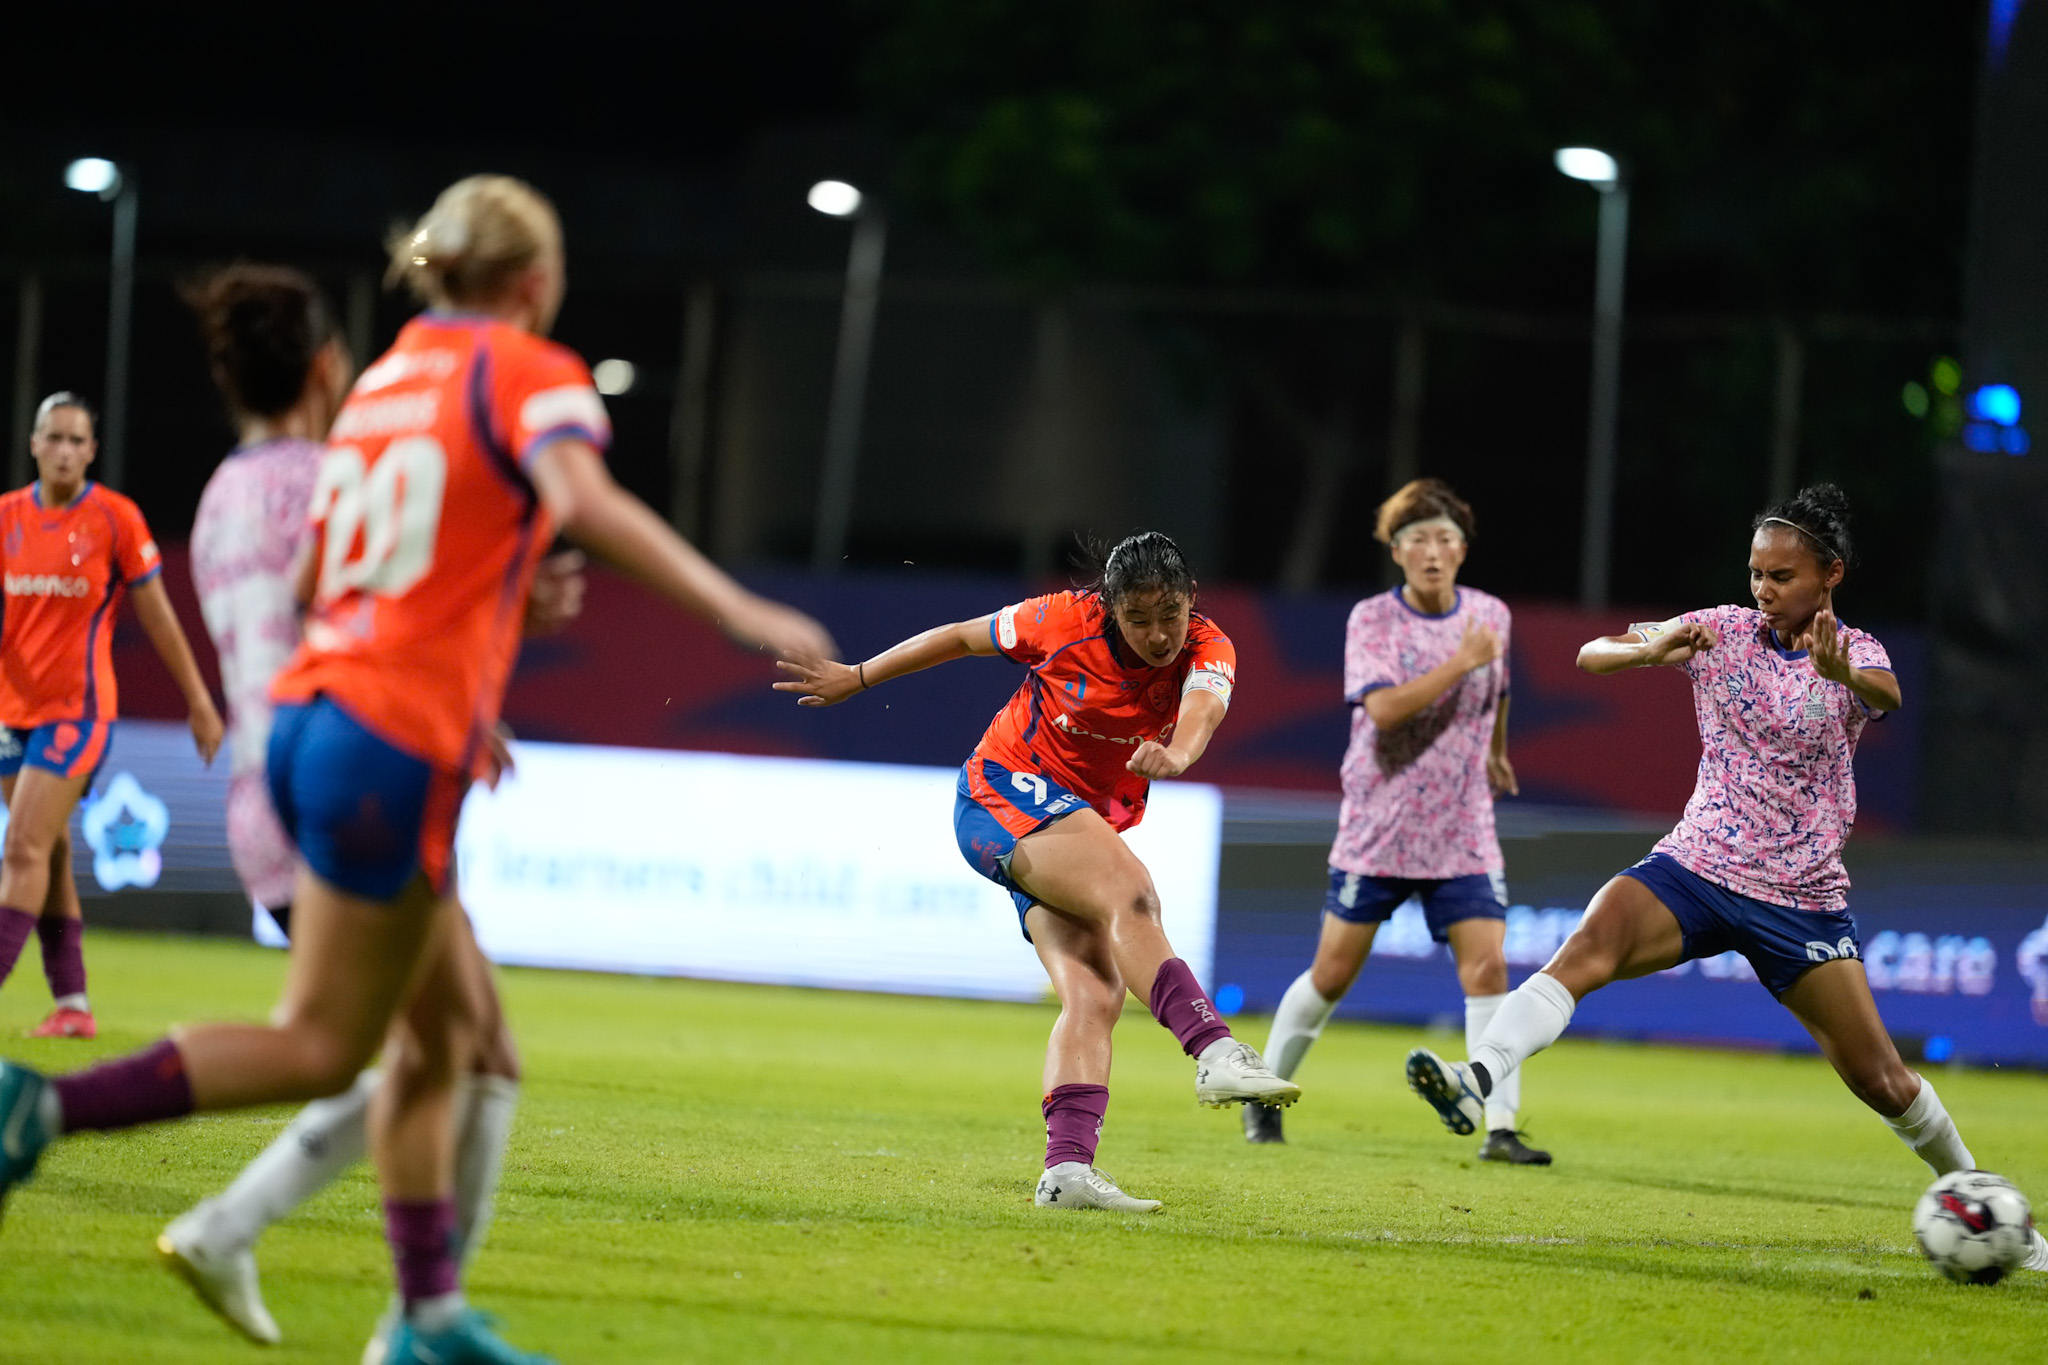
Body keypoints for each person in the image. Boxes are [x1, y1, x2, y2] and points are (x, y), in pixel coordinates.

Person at [0, 174, 837, 1365]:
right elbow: (580, 496)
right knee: (328, 1045)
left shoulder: (387, 381)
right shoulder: (523, 369)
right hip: (386, 738)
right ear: (537, 285)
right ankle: (44, 1107)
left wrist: (476, 603)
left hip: (307, 717)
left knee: (444, 1042)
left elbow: (312, 587)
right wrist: (734, 605)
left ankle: (426, 1315)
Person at [1402, 483, 2048, 1271]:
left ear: (1830, 574)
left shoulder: (1856, 653)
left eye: (1782, 576)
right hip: (1699, 864)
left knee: (1879, 1077)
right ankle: (1477, 1080)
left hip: (1800, 898)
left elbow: (1889, 693)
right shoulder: (1719, 631)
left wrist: (1842, 672)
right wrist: (1644, 650)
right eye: (1756, 574)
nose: (1764, 590)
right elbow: (1588, 654)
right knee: (1589, 945)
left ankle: (1986, 1202)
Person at [157, 264, 568, 1358]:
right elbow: (364, 626)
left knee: (437, 1049)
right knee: (449, 1055)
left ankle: (390, 1305)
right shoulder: (330, 475)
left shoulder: (217, 496)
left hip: (266, 791)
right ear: (327, 365)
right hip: (348, 784)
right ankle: (403, 1315)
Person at [775, 530, 1298, 1213]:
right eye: (1137, 619)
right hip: (1000, 791)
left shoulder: (1209, 645)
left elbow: (1202, 707)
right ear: (1108, 608)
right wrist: (860, 675)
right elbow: (962, 636)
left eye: (1168, 614)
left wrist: (1179, 750)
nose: (1157, 634)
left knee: (1095, 991)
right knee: (1131, 893)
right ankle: (1215, 1049)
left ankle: (1067, 1172)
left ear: (1189, 600)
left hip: (1065, 820)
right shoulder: (1060, 620)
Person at [1246, 479, 1546, 1164]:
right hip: (1380, 823)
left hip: (1463, 826)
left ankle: (1500, 1126)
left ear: (1463, 549)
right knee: (1331, 972)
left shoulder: (1492, 615)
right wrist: (1458, 661)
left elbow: (1497, 689)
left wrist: (1496, 751)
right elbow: (1381, 711)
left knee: (1489, 965)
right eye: (1417, 540)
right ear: (1397, 552)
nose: (1432, 552)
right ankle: (1264, 1096)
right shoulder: (1372, 621)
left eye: (1444, 539)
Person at [0, 394, 224, 1039]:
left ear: (92, 451)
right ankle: (73, 1005)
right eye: (55, 438)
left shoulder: (115, 518)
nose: (66, 449)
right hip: (11, 714)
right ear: (34, 444)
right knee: (51, 852)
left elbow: (157, 615)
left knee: (22, 846)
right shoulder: (8, 519)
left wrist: (199, 700)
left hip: (80, 712)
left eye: (78, 440)